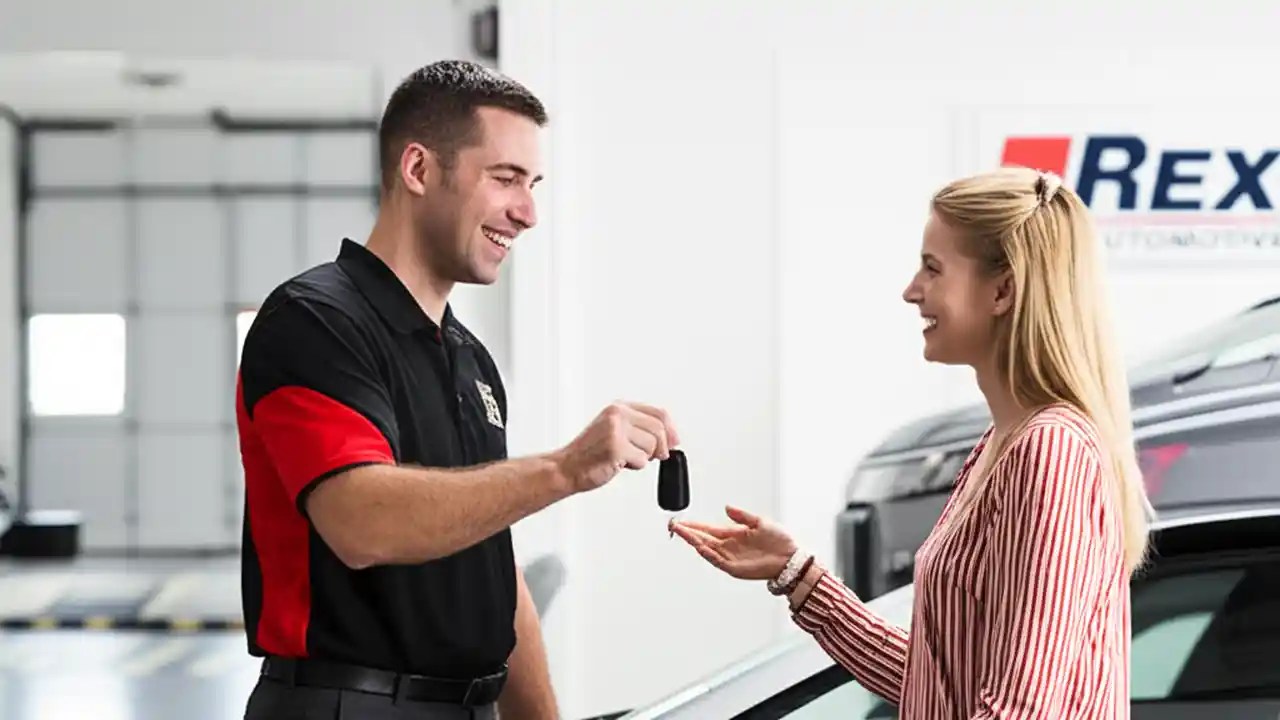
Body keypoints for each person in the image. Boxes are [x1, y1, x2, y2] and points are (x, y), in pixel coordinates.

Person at [236, 59, 679, 720]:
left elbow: (493, 563)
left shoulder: (469, 358)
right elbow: (361, 523)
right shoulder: (313, 321)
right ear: (418, 169)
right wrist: (563, 469)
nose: (528, 212)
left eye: (533, 184)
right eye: (505, 178)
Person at [671, 166, 1153, 719]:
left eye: (933, 268)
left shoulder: (1051, 453)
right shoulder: (1003, 445)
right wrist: (796, 575)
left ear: (1002, 290)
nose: (911, 291)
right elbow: (937, 685)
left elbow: (1019, 711)